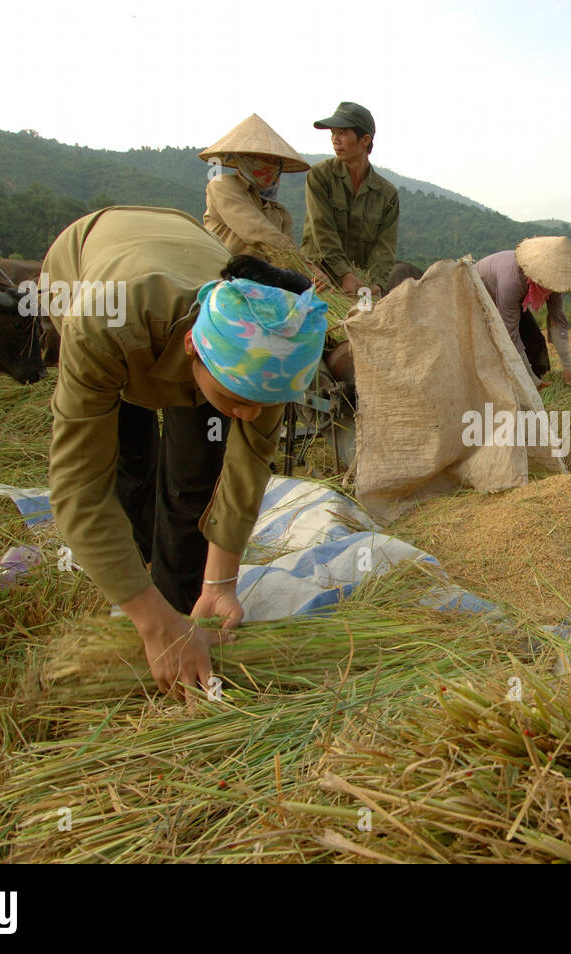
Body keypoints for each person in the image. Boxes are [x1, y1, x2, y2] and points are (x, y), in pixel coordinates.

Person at [43, 206, 326, 699]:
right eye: (235, 399)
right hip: (90, 264)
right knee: (128, 462)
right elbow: (76, 488)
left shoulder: (272, 351)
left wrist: (220, 582)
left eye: (260, 406)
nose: (245, 416)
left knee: (195, 475)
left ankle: (185, 605)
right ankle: (140, 604)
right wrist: (153, 621)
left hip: (188, 255)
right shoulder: (102, 322)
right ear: (196, 350)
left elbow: (244, 469)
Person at [300, 102, 399, 298]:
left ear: (365, 139)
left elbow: (384, 247)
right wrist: (344, 273)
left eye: (343, 133)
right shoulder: (320, 176)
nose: (335, 140)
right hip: (318, 277)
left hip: (358, 284)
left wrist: (375, 282)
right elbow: (322, 229)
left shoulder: (387, 194)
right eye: (333, 133)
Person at [475, 236, 571, 387]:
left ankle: (540, 378)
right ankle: (525, 383)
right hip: (478, 296)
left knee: (536, 342)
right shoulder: (512, 281)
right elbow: (510, 334)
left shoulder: (551, 282)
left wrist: (568, 368)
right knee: (494, 346)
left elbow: (557, 320)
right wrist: (532, 382)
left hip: (509, 299)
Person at [200, 113, 310, 259]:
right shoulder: (222, 185)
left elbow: (283, 261)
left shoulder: (280, 213)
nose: (269, 167)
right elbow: (255, 229)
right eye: (262, 160)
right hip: (221, 274)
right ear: (244, 160)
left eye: (275, 161)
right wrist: (299, 260)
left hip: (260, 279)